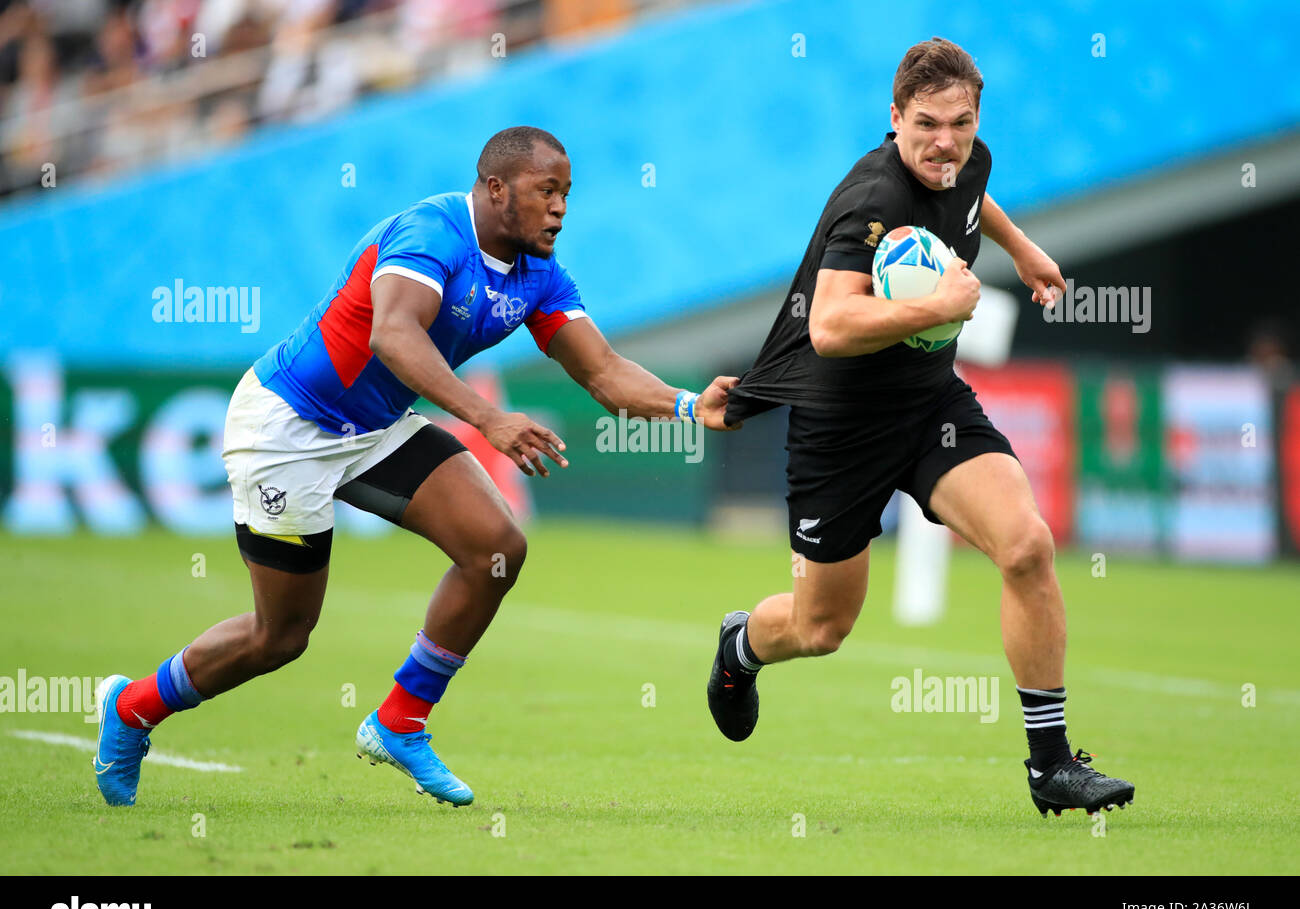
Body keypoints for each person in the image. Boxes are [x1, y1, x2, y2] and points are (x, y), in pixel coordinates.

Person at [94, 125, 737, 807]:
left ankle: (401, 720)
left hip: (374, 428)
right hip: (287, 428)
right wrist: (486, 418)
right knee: (280, 637)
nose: (561, 209)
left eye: (567, 194)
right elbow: (393, 333)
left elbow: (604, 372)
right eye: (547, 191)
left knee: (496, 546)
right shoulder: (431, 233)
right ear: (496, 189)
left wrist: (694, 406)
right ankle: (132, 708)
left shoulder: (539, 275)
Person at [710, 39, 1134, 817]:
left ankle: (1051, 765)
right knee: (822, 627)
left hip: (930, 405)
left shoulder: (965, 157)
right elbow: (833, 326)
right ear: (894, 119)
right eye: (927, 125)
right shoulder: (870, 200)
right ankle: (740, 647)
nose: (946, 142)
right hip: (840, 427)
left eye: (961, 123)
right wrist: (939, 307)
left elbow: (968, 195)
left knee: (1027, 545)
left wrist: (1024, 249)